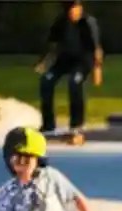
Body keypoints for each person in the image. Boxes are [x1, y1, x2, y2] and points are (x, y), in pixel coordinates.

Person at [35, 0, 103, 137]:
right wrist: (45, 63)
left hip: (83, 61)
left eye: (75, 11)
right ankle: (48, 124)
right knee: (46, 81)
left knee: (74, 82)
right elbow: (53, 44)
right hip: (64, 60)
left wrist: (97, 69)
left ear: (80, 9)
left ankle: (76, 124)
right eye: (70, 12)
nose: (73, 15)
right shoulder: (61, 21)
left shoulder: (88, 22)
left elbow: (96, 48)